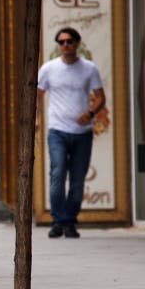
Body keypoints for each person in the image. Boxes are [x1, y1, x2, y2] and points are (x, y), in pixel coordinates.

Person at [37, 27, 106, 238]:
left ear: (77, 43)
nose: (65, 45)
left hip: (82, 132)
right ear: (58, 45)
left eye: (69, 41)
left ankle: (69, 221)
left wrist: (91, 113)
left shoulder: (89, 68)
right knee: (57, 173)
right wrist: (37, 119)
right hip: (57, 130)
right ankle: (57, 220)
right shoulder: (48, 68)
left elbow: (101, 97)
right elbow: (37, 95)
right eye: (61, 42)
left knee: (77, 180)